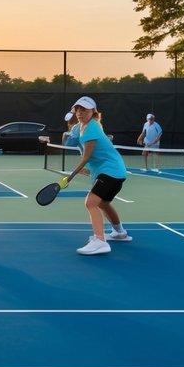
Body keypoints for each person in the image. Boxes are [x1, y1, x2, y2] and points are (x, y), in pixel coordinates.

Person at [66, 96, 129, 256]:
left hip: (111, 171)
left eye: (84, 109)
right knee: (104, 203)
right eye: (78, 109)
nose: (80, 113)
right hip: (113, 171)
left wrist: (70, 177)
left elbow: (86, 157)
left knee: (90, 202)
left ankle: (100, 241)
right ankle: (120, 232)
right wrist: (68, 135)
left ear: (93, 111)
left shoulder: (92, 128)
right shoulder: (79, 127)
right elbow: (69, 144)